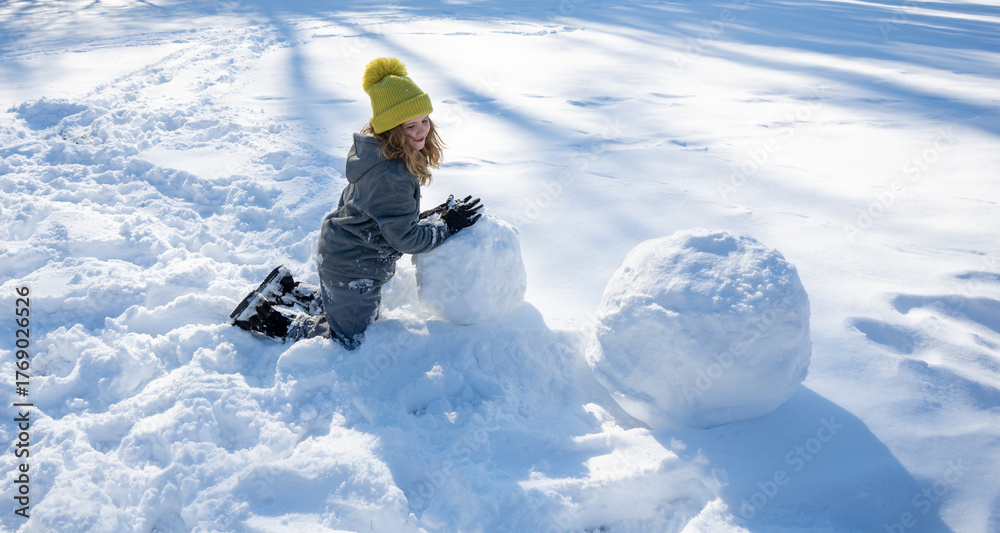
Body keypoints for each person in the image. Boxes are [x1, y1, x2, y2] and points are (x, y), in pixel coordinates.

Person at [229, 57, 483, 349]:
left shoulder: (376, 152)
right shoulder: (392, 175)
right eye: (410, 126)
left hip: (342, 250)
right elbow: (406, 239)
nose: (421, 131)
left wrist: (435, 215)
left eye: (424, 120)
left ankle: (287, 290)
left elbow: (384, 214)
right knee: (348, 337)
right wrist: (446, 227)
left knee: (356, 312)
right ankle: (259, 316)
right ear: (391, 129)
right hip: (352, 267)